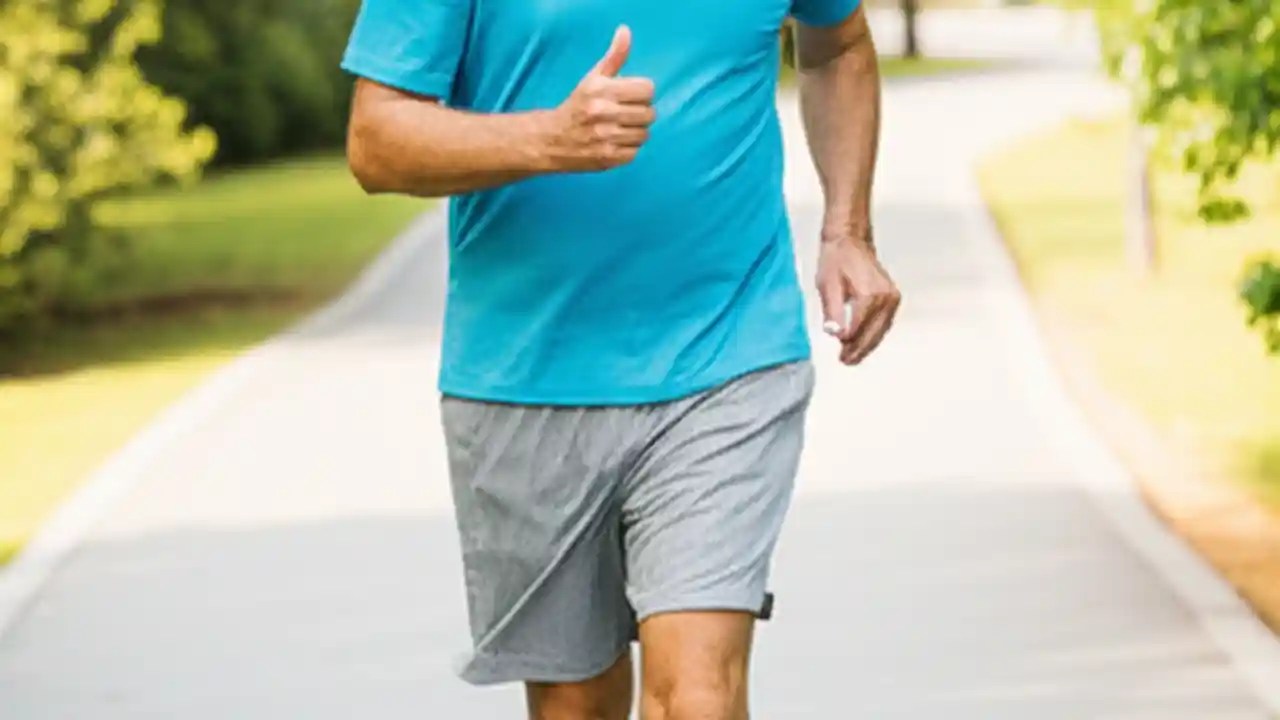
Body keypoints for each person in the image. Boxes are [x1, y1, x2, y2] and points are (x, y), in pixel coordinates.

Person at [341, 0, 897, 716]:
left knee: (696, 696)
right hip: (526, 373)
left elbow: (838, 44)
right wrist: (549, 138)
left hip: (728, 353)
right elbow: (375, 138)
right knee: (575, 703)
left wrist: (847, 230)